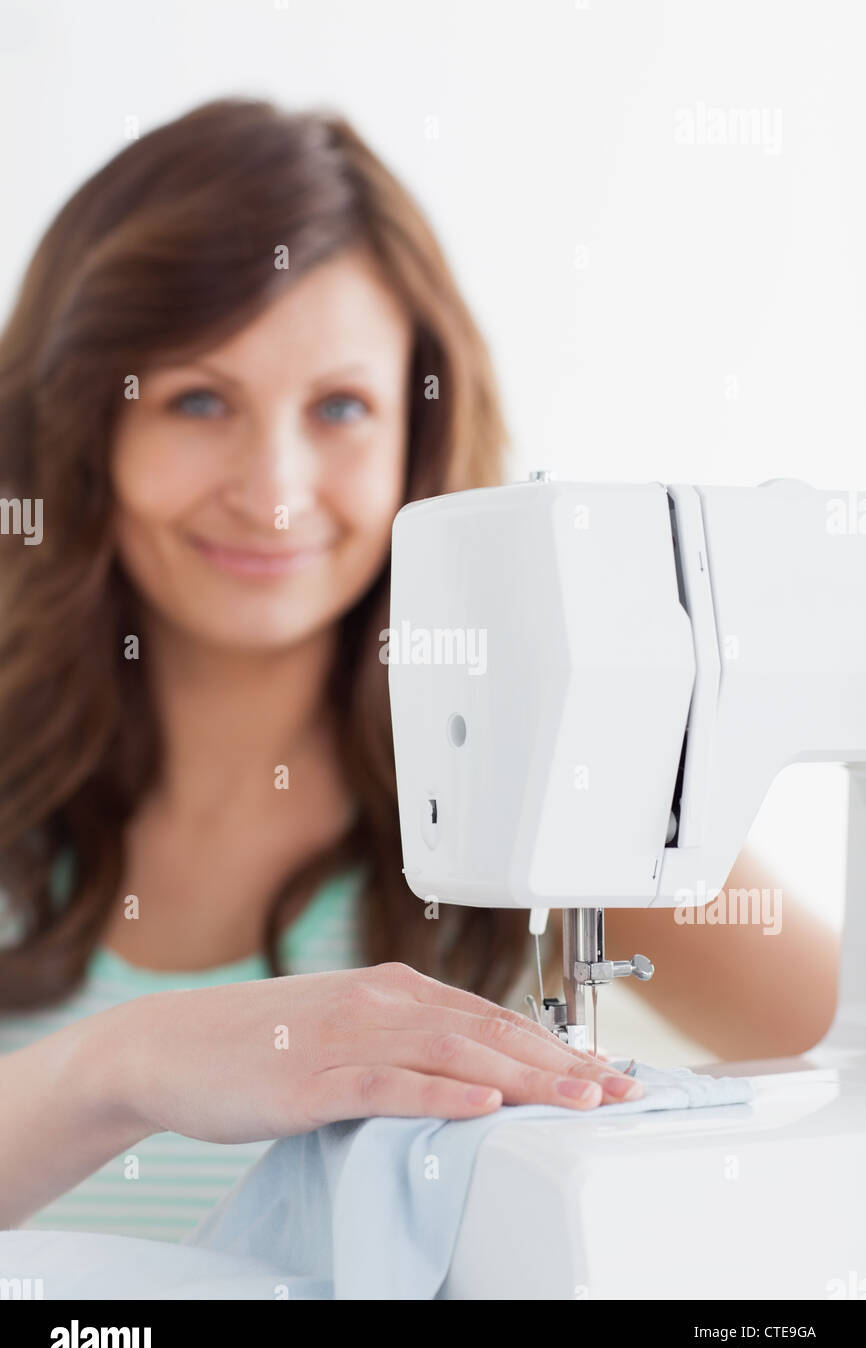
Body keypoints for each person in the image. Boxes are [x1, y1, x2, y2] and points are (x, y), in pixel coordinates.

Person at [0, 99, 838, 1243]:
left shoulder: (571, 781)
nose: (277, 487)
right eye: (198, 400)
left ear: (417, 435)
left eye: (340, 406)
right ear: (79, 426)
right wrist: (122, 1066)